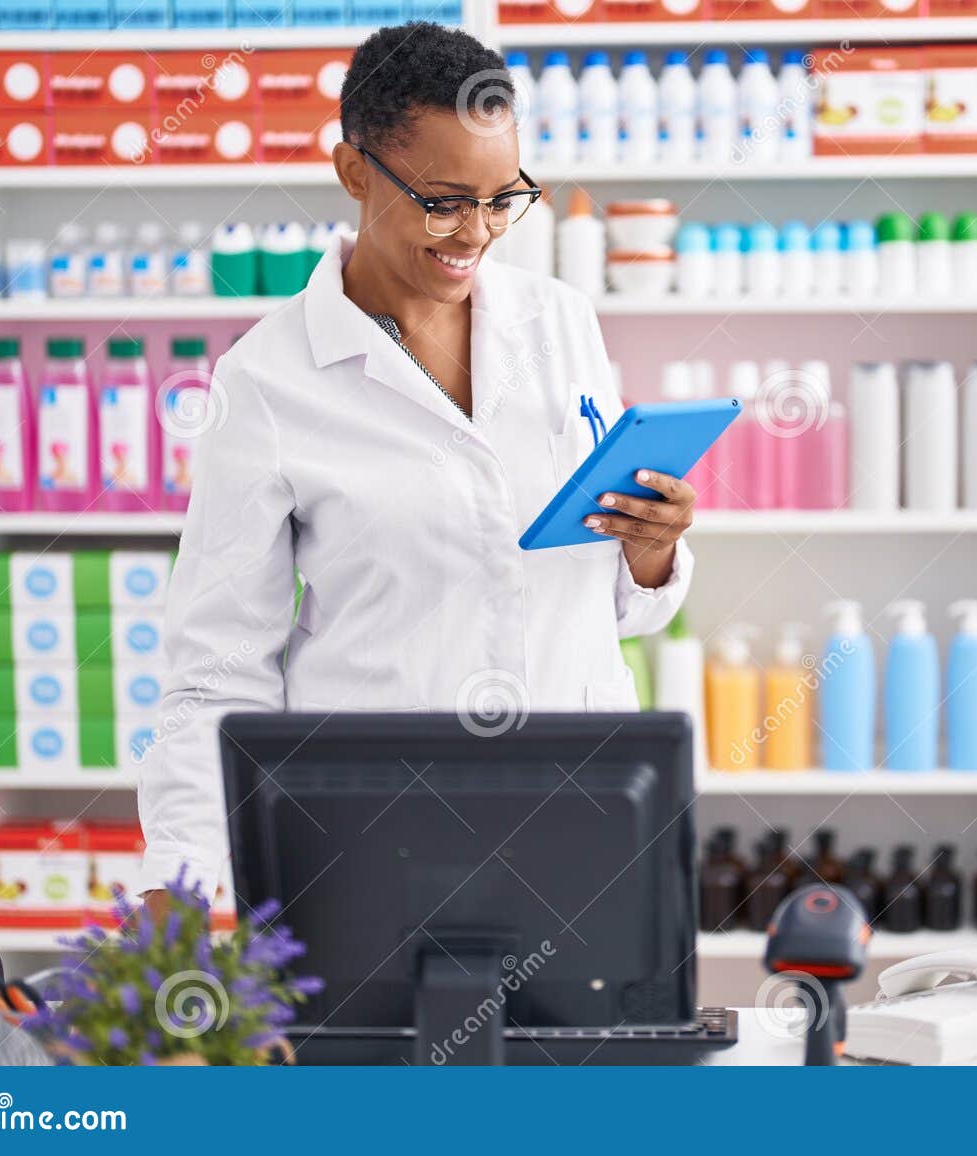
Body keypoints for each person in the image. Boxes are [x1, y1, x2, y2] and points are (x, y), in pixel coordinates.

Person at [138, 23, 696, 912]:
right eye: (443, 201)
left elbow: (621, 604)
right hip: (375, 829)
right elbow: (217, 671)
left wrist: (651, 551)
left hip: (582, 804)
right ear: (354, 171)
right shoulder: (268, 379)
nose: (477, 233)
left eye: (502, 197)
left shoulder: (561, 322)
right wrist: (188, 882)